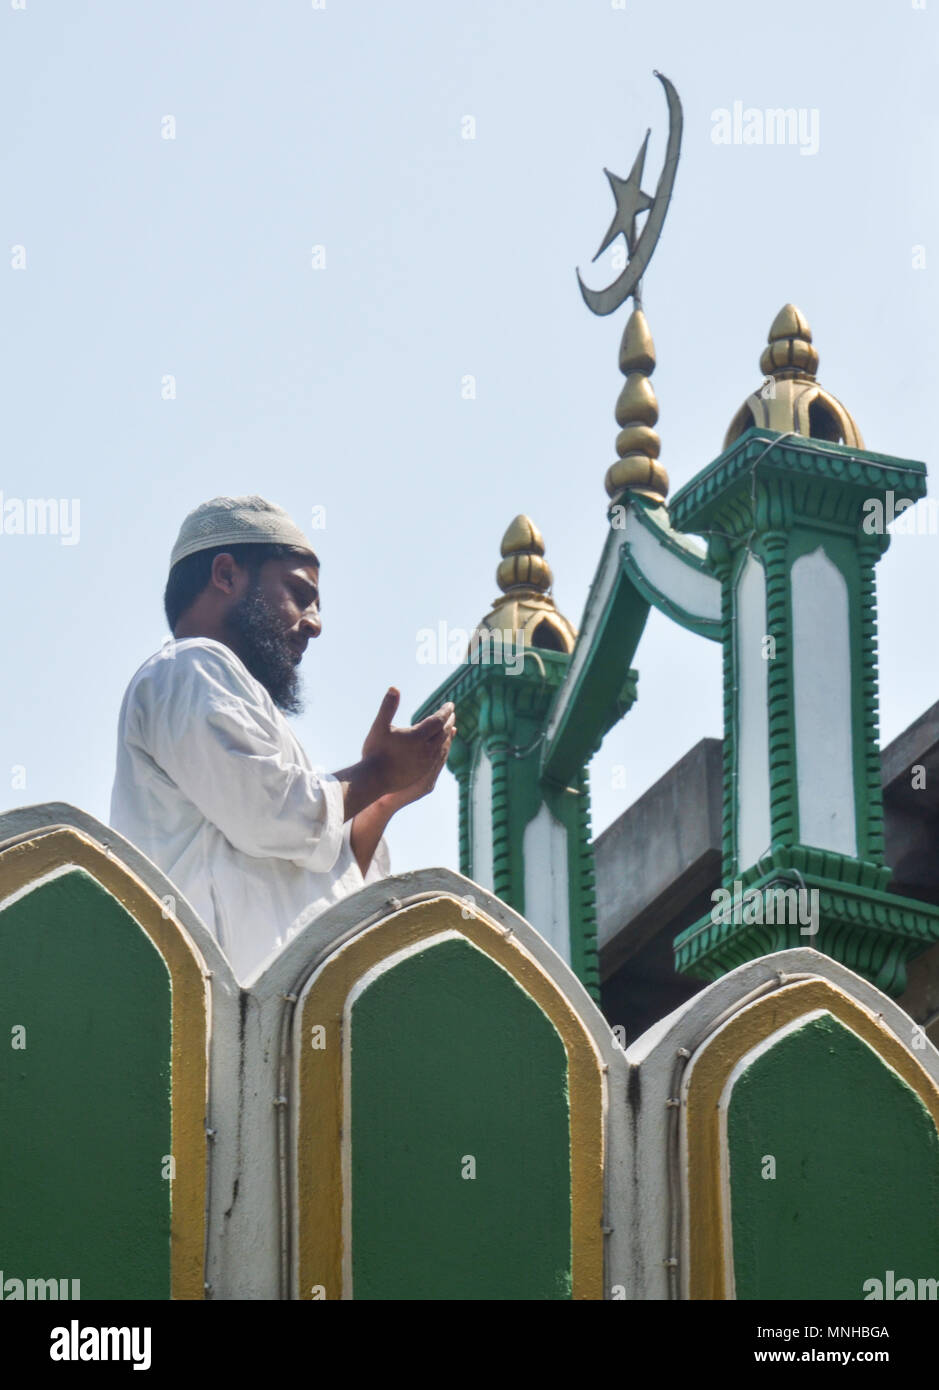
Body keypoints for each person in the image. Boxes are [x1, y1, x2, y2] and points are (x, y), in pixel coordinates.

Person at [110, 495, 455, 980]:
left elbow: (325, 876)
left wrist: (385, 798)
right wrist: (377, 773)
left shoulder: (236, 699)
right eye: (299, 592)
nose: (315, 623)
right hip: (213, 1007)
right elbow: (269, 814)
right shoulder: (187, 668)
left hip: (280, 1009)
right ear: (226, 575)